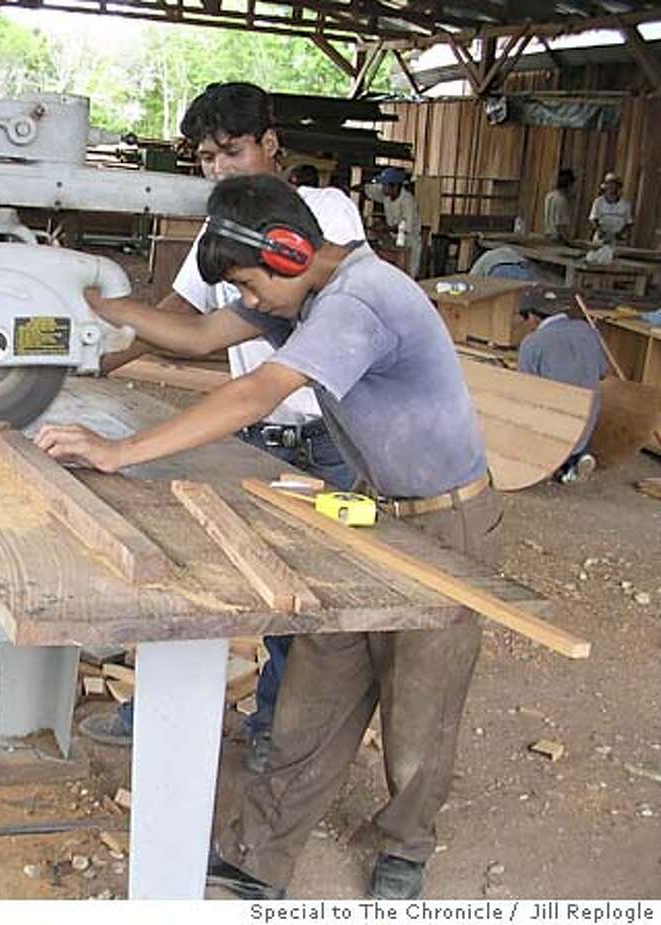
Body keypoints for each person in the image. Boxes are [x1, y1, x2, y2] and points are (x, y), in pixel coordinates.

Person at [37, 173, 501, 901]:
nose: (250, 304)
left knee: (420, 700)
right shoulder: (304, 294)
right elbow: (193, 335)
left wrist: (119, 452)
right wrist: (89, 300)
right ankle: (262, 851)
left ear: (289, 252)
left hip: (447, 520)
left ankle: (405, 846)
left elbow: (257, 390)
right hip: (372, 509)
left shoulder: (360, 300)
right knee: (317, 689)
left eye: (252, 286)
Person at [80, 82, 364, 762]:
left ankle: (274, 734)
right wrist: (95, 360)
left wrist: (122, 444)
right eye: (205, 157)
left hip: (320, 438)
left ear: (270, 142)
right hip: (253, 437)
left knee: (303, 602)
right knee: (204, 578)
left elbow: (250, 352)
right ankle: (165, 709)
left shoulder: (323, 212)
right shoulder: (221, 227)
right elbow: (182, 318)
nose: (217, 169)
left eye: (231, 151)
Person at [517, 303, 608, 482]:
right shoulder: (587, 331)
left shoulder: (533, 341)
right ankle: (578, 457)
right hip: (587, 415)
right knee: (578, 426)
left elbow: (525, 388)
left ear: (533, 316)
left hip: (553, 422)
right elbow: (603, 371)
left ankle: (557, 464)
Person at [372, 166, 422, 278]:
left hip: (409, 244)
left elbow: (405, 227)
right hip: (394, 241)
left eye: (384, 186)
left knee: (407, 279)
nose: (382, 188)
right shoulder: (387, 197)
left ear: (394, 186)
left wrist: (385, 228)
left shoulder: (408, 201)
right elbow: (369, 190)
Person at [589, 172, 633, 244]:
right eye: (609, 184)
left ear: (618, 187)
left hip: (618, 239)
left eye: (613, 184)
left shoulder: (625, 205)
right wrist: (601, 232)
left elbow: (628, 223)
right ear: (605, 186)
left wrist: (619, 234)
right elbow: (593, 219)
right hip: (601, 238)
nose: (611, 187)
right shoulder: (598, 202)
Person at [543, 169, 575, 241]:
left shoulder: (549, 196)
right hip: (557, 239)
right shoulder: (561, 200)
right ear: (569, 185)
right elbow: (560, 226)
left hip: (547, 235)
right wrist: (570, 241)